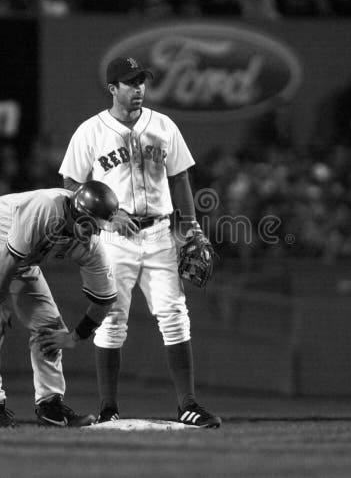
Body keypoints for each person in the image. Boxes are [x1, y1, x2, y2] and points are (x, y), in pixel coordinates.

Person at [58, 56, 222, 428]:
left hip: (161, 233)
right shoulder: (90, 131)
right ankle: (108, 408)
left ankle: (188, 404)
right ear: (113, 89)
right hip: (114, 238)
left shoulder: (162, 125)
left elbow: (179, 176)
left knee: (175, 316)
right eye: (130, 84)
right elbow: (71, 185)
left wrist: (191, 228)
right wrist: (104, 217)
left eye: (142, 82)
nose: (139, 90)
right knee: (113, 320)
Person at [0, 180, 119, 429]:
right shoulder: (46, 208)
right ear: (75, 211)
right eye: (89, 222)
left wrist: (74, 337)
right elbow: (8, 259)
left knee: (49, 326)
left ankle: (50, 405)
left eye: (98, 225)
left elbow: (105, 300)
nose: (93, 231)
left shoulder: (92, 246)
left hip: (20, 258)